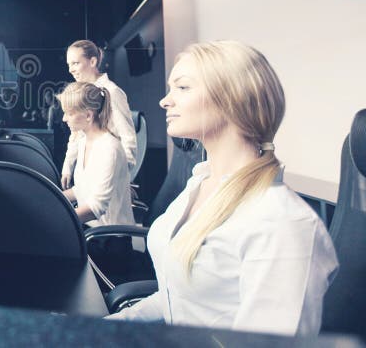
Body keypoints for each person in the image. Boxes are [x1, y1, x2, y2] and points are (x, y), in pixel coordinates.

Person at [106, 41, 338, 335]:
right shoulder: (199, 184)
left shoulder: (282, 222)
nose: (165, 101)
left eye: (183, 87)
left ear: (232, 98)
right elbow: (178, 299)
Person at [61, 40, 137, 189]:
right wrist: (67, 167)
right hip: (87, 175)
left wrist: (120, 176)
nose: (70, 70)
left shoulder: (113, 92)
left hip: (108, 177)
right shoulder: (82, 92)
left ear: (93, 61)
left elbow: (129, 140)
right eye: (69, 64)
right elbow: (76, 135)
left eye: (75, 63)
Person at [57, 82, 134, 226]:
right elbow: (83, 190)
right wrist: (51, 197)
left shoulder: (110, 148)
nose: (64, 118)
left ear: (88, 115)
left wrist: (56, 219)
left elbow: (96, 208)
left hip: (109, 235)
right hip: (90, 229)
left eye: (70, 113)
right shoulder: (84, 142)